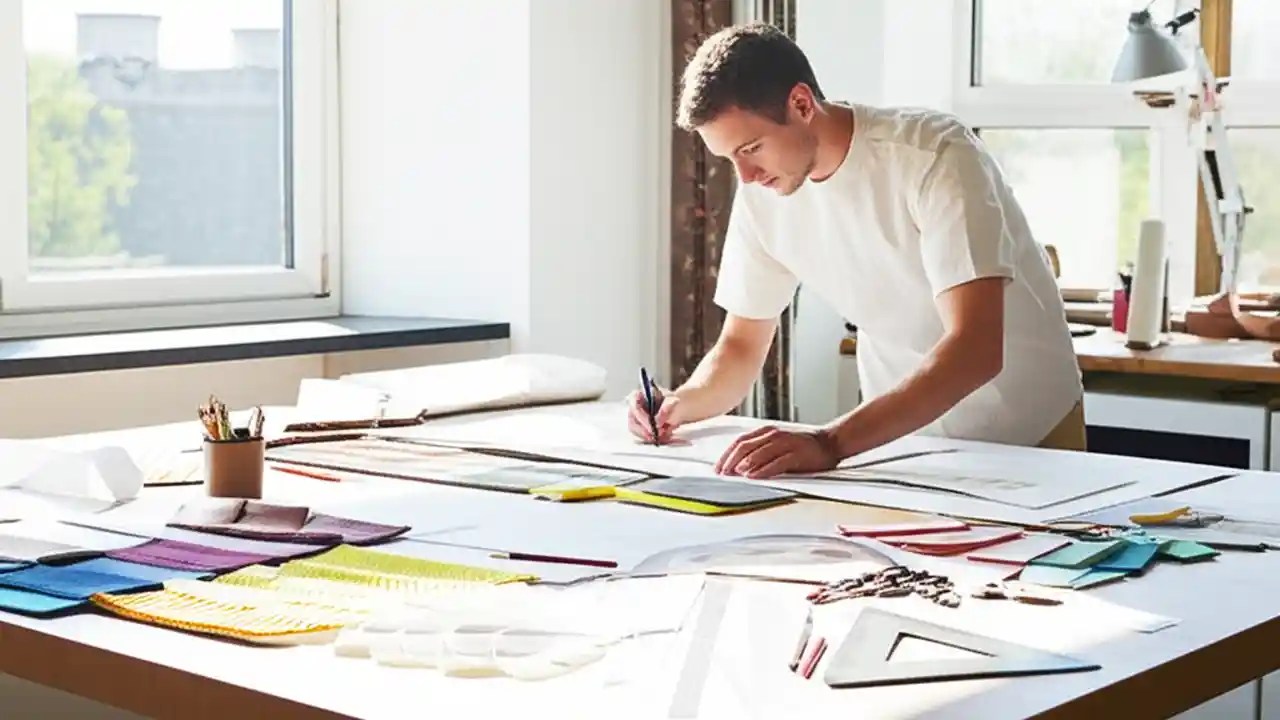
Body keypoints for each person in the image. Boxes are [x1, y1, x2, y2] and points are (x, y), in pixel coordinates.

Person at [626, 23, 1084, 478]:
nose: (745, 176)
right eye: (731, 158)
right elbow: (742, 345)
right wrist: (679, 404)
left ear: (802, 104)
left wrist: (830, 442)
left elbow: (976, 348)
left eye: (752, 148)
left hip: (1029, 433)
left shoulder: (935, 155)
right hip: (903, 444)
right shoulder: (763, 196)